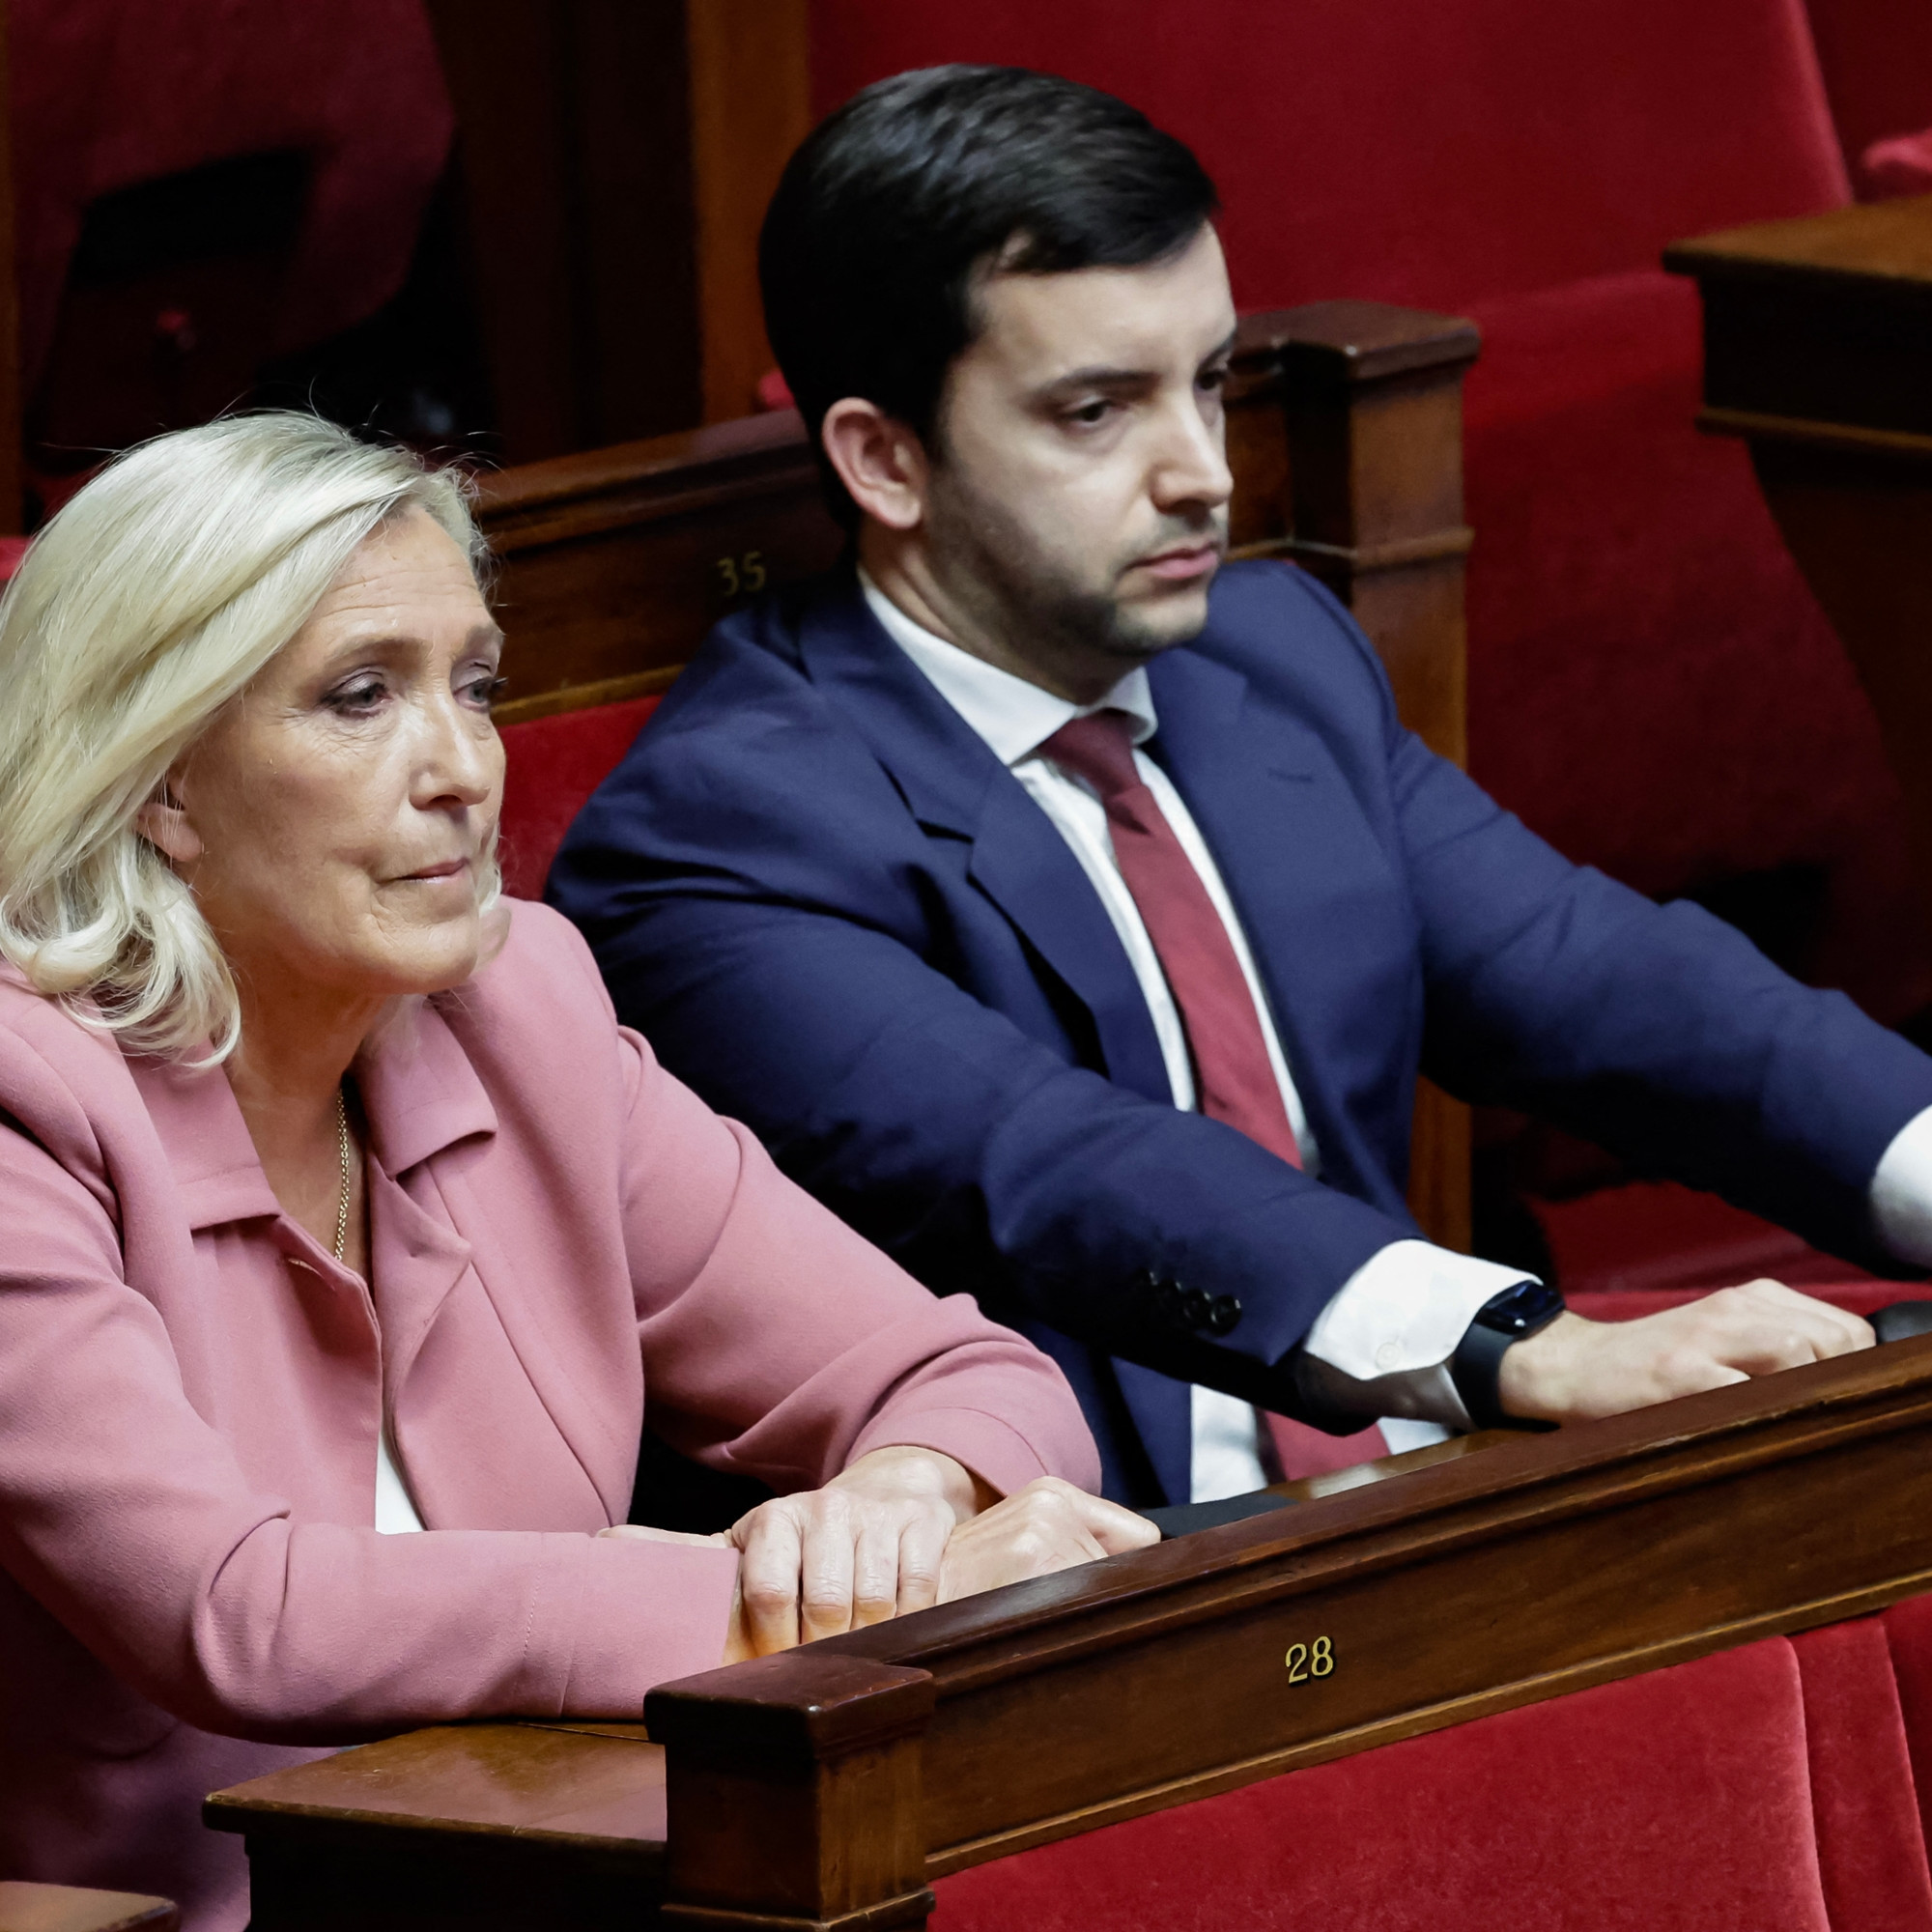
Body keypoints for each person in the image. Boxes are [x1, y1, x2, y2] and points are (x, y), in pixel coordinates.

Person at [547, 65, 1932, 1512]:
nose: (1201, 472)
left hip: (1426, 1494)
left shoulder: (1272, 659)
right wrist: (1520, 1349)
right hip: (1096, 1593)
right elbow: (1052, 1163)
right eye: (1097, 412)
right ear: (885, 460)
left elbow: (1602, 979)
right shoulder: (719, 837)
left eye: (1205, 382)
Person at [0, 412, 1152, 1931]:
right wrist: (791, 1606)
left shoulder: (516, 1013)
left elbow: (961, 1371)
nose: (464, 768)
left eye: (472, 686)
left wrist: (902, 1500)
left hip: (583, 1878)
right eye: (360, 699)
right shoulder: (28, 1107)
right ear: (160, 786)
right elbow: (238, 1610)